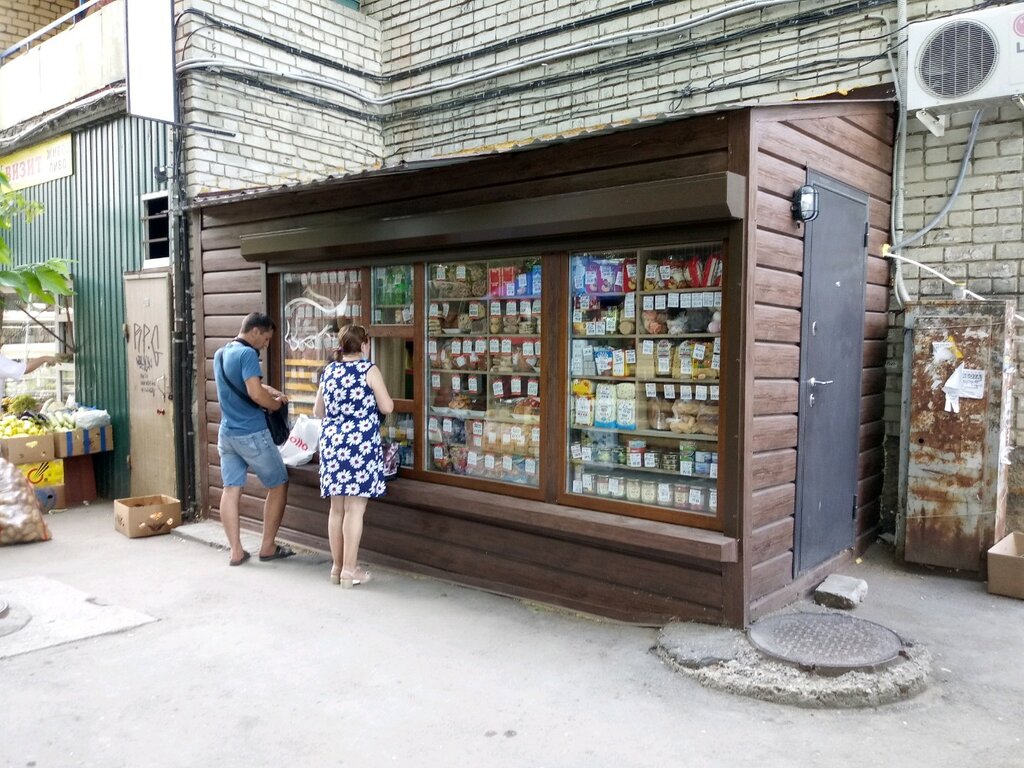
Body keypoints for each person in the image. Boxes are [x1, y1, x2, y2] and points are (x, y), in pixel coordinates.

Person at [314, 324, 393, 588]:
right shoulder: (369, 370)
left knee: (336, 509)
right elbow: (387, 406)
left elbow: (318, 411)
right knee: (355, 509)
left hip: (333, 443)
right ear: (363, 345)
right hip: (360, 446)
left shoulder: (329, 371)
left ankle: (336, 568)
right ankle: (350, 570)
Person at [213, 312, 295, 567]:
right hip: (252, 433)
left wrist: (267, 390)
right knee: (279, 483)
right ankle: (268, 546)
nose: (267, 344)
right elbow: (255, 393)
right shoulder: (248, 354)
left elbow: (240, 386)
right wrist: (274, 405)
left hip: (227, 433)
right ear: (255, 331)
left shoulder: (221, 353)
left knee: (231, 489)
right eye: (267, 338)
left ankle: (236, 551)